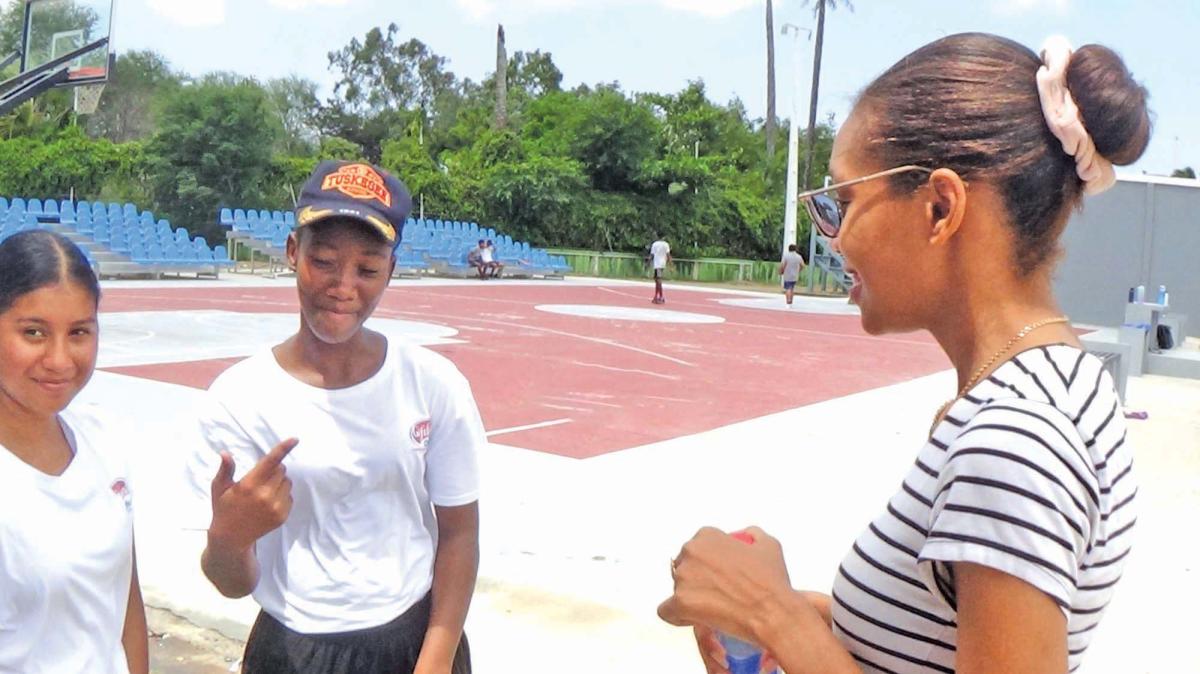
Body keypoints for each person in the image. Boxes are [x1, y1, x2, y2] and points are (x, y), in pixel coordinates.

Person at [659, 33, 1148, 674]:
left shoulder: (1011, 438)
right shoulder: (1065, 381)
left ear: (940, 207)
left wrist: (768, 611)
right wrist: (807, 621)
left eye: (844, 201)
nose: (832, 238)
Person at [196, 161, 484, 674]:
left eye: (367, 269)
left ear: (391, 271)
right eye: (324, 261)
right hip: (292, 649)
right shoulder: (239, 399)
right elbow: (232, 582)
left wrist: (436, 658)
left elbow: (459, 534)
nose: (343, 286)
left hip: (416, 640)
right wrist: (228, 537)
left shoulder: (433, 384)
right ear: (292, 252)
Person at [0, 230, 148, 674]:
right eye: (34, 332)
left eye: (79, 332)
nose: (61, 360)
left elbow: (125, 603)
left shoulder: (102, 438)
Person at [650, 235, 671, 304]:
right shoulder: (666, 244)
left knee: (658, 279)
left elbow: (652, 255)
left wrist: (648, 262)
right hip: (662, 263)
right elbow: (668, 255)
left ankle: (661, 296)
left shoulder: (654, 244)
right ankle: (656, 295)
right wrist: (670, 263)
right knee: (656, 279)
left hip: (657, 263)